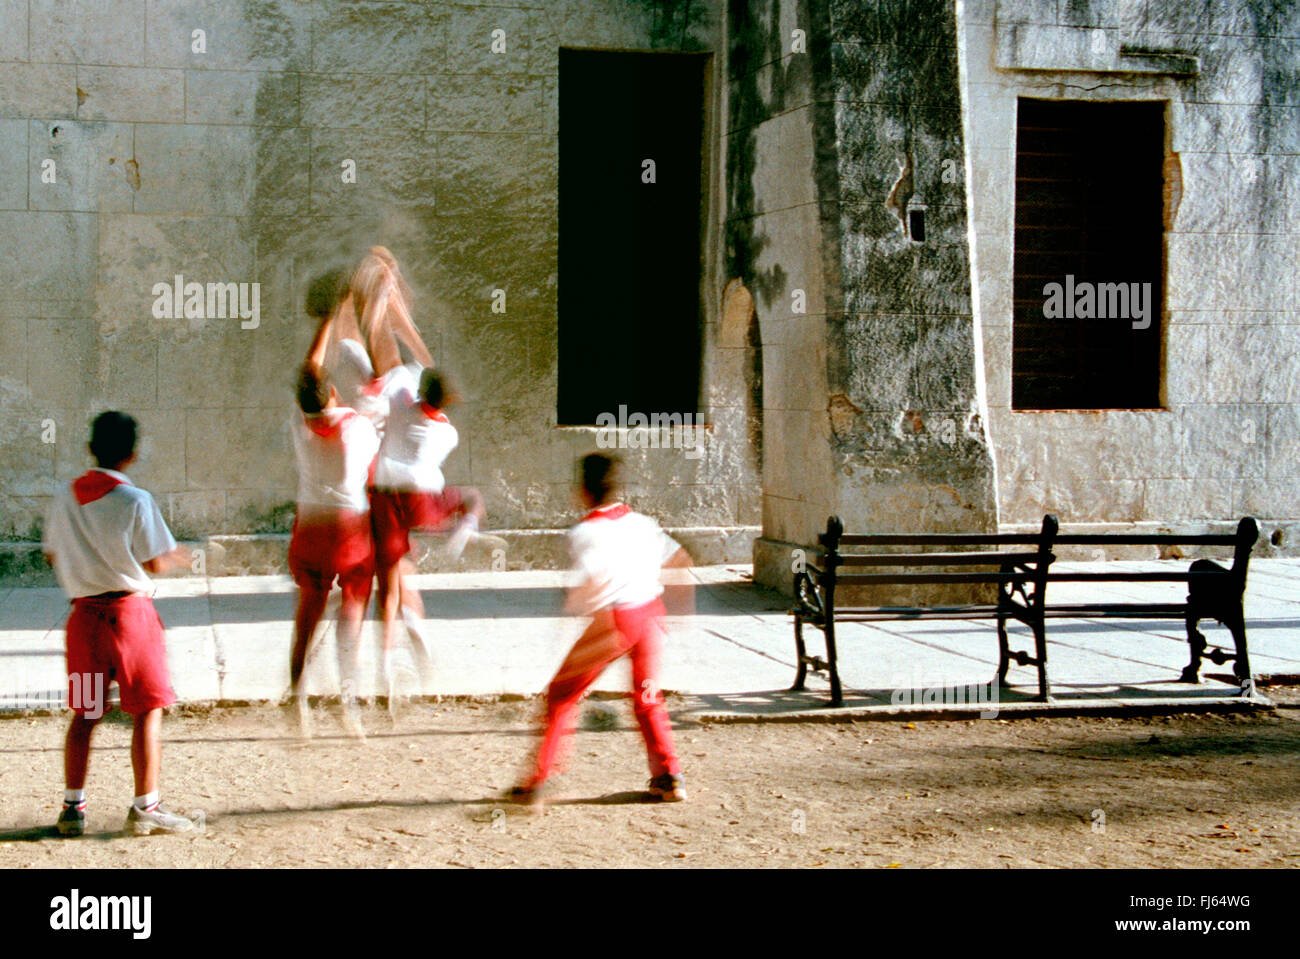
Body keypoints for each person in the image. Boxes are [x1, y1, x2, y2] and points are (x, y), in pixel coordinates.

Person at [42, 411, 196, 836]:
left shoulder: (64, 497)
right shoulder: (136, 500)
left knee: (86, 712)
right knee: (147, 709)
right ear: (132, 453)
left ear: (91, 447)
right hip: (131, 619)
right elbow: (153, 560)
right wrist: (178, 556)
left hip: (85, 620)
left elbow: (52, 552)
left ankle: (73, 808)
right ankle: (146, 806)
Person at [510, 454, 693, 804]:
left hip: (614, 619)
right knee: (648, 697)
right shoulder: (642, 522)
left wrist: (578, 610)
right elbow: (681, 559)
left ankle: (540, 779)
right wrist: (681, 612)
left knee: (562, 694)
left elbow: (592, 585)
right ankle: (670, 776)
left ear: (582, 490)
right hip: (650, 614)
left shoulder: (584, 532)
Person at [368, 366, 491, 713]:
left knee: (388, 586)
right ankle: (465, 529)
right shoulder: (448, 433)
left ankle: (385, 666)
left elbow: (394, 380)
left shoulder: (399, 404)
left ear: (420, 391)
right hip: (423, 504)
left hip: (387, 497)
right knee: (471, 497)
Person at [291, 285, 382, 737]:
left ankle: (297, 699)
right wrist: (357, 317)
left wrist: (326, 320)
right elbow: (371, 385)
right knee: (351, 617)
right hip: (348, 528)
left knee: (307, 616)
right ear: (332, 391)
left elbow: (307, 375)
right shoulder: (359, 428)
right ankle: (348, 705)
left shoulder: (301, 425)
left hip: (309, 524)